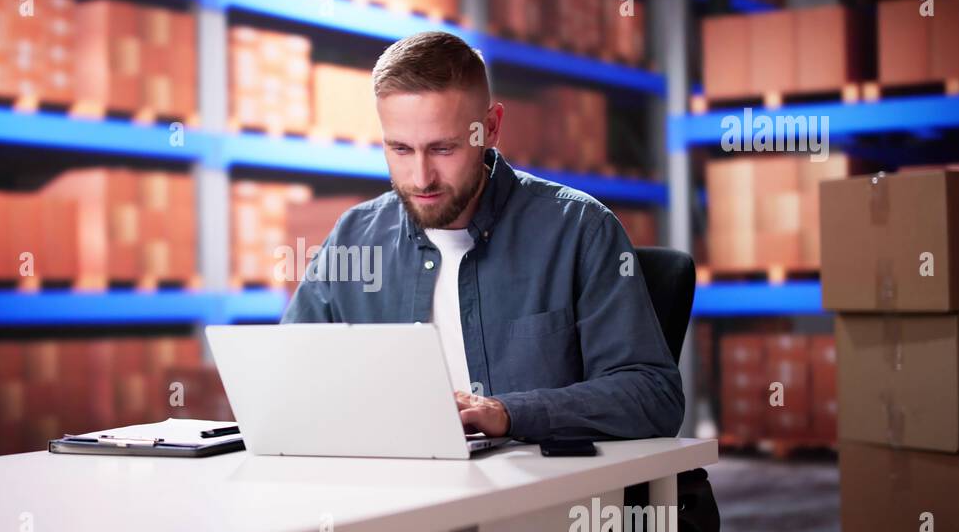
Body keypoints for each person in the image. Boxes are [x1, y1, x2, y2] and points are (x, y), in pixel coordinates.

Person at [281, 30, 684, 445]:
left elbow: (653, 395)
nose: (421, 178)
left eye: (443, 149)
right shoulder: (354, 238)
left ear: (490, 128)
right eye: (400, 149)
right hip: (394, 489)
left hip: (536, 497)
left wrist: (510, 413)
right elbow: (288, 380)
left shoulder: (580, 230)